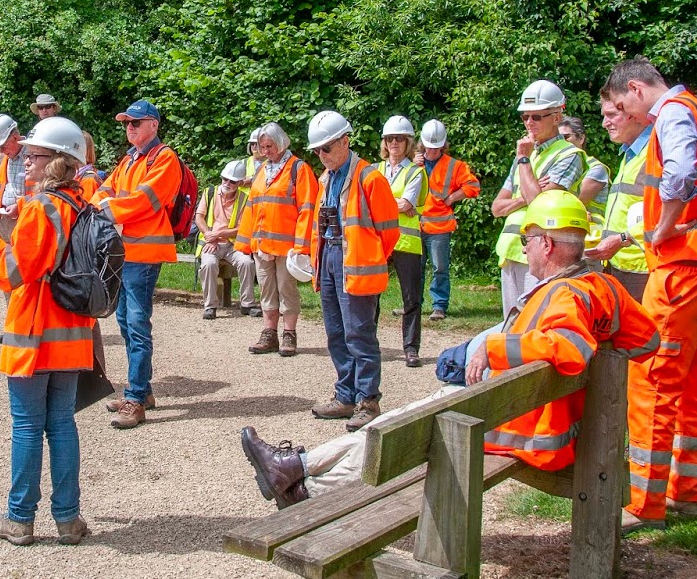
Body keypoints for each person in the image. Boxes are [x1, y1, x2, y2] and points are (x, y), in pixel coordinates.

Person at [240, 190, 659, 507]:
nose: (524, 247)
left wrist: (495, 347)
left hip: (531, 430)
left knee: (407, 429)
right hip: (542, 417)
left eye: (527, 239)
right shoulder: (601, 286)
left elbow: (570, 348)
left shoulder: (564, 295)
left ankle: (307, 488)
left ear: (546, 245)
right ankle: (296, 467)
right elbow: (649, 340)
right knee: (409, 417)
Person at [603, 59, 697, 532]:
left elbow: (680, 175)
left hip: (683, 269)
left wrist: (662, 231)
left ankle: (644, 504)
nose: (627, 115)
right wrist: (637, 236)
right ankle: (688, 496)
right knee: (693, 384)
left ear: (635, 89)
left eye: (623, 106)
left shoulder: (671, 111)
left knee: (650, 380)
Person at [0, 116, 95, 546]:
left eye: (35, 155)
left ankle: (19, 518)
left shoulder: (43, 207)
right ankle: (69, 520)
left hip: (34, 333)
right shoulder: (81, 204)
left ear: (57, 161)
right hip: (72, 332)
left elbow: (16, 271)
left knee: (28, 426)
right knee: (63, 425)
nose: (26, 160)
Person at [306, 110, 400, 431]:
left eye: (327, 148)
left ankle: (367, 399)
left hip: (355, 263)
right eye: (317, 151)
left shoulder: (370, 177)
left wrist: (369, 258)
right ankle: (345, 396)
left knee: (359, 334)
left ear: (345, 141)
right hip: (330, 260)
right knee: (336, 333)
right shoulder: (325, 179)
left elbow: (389, 232)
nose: (322, 156)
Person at [93, 99, 181, 430]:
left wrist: (105, 208)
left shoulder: (164, 158)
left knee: (137, 325)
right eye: (127, 122)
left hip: (142, 256)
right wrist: (97, 203)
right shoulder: (131, 158)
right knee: (127, 324)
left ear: (153, 126)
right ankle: (141, 391)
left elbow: (145, 201)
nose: (129, 126)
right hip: (123, 254)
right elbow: (105, 188)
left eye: (136, 122)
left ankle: (135, 398)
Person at [489, 80, 584, 319]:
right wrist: (524, 198)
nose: (529, 123)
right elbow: (497, 208)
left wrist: (523, 160)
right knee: (511, 325)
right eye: (525, 117)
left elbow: (541, 203)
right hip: (513, 250)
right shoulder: (526, 156)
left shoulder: (569, 155)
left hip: (545, 254)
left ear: (556, 116)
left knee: (535, 323)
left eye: (537, 117)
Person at [233, 122, 318, 355]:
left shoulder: (299, 169)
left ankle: (289, 335)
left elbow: (307, 209)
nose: (265, 151)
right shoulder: (261, 171)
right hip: (262, 245)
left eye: (269, 146)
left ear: (280, 143)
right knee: (267, 289)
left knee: (286, 287)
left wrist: (302, 246)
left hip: (287, 246)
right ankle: (269, 334)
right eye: (261, 147)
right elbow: (252, 207)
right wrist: (245, 242)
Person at [585, 97, 652, 301]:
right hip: (619, 266)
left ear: (634, 114)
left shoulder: (652, 153)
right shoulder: (630, 154)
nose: (605, 123)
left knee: (645, 332)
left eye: (612, 115)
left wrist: (621, 239)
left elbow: (664, 212)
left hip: (643, 269)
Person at [415, 118, 480, 321]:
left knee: (439, 268)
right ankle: (413, 305)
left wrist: (453, 197)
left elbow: (473, 186)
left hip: (440, 227)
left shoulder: (455, 166)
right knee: (414, 269)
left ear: (443, 145)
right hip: (416, 225)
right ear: (422, 144)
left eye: (436, 148)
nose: (432, 151)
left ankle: (439, 306)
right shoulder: (414, 163)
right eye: (429, 147)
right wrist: (411, 166)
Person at [378, 116, 425, 367]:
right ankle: (369, 343)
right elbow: (366, 202)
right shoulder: (375, 169)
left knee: (411, 298)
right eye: (390, 138)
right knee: (370, 293)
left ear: (408, 142)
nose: (394, 143)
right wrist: (395, 204)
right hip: (379, 240)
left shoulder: (415, 172)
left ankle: (410, 348)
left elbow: (407, 203)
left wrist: (383, 203)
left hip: (406, 243)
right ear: (384, 142)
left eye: (399, 138)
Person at [194, 160, 257, 320]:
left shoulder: (244, 198)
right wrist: (209, 235)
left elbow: (243, 228)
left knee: (247, 263)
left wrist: (218, 235)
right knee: (208, 265)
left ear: (241, 183)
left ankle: (247, 304)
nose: (227, 183)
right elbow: (199, 218)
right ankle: (210, 307)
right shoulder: (209, 193)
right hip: (210, 244)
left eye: (233, 181)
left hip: (233, 245)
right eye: (225, 179)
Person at [0, 114, 29, 240]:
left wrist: (19, 206)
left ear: (15, 137)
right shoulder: (1, 160)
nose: (1, 151)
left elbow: (45, 195)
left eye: (3, 146)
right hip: (4, 223)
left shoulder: (35, 156)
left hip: (28, 222)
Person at [559, 115, 612, 216]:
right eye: (558, 138)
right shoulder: (558, 165)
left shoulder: (597, 169)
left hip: (594, 228)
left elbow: (577, 204)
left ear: (581, 138)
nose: (562, 142)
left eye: (566, 137)